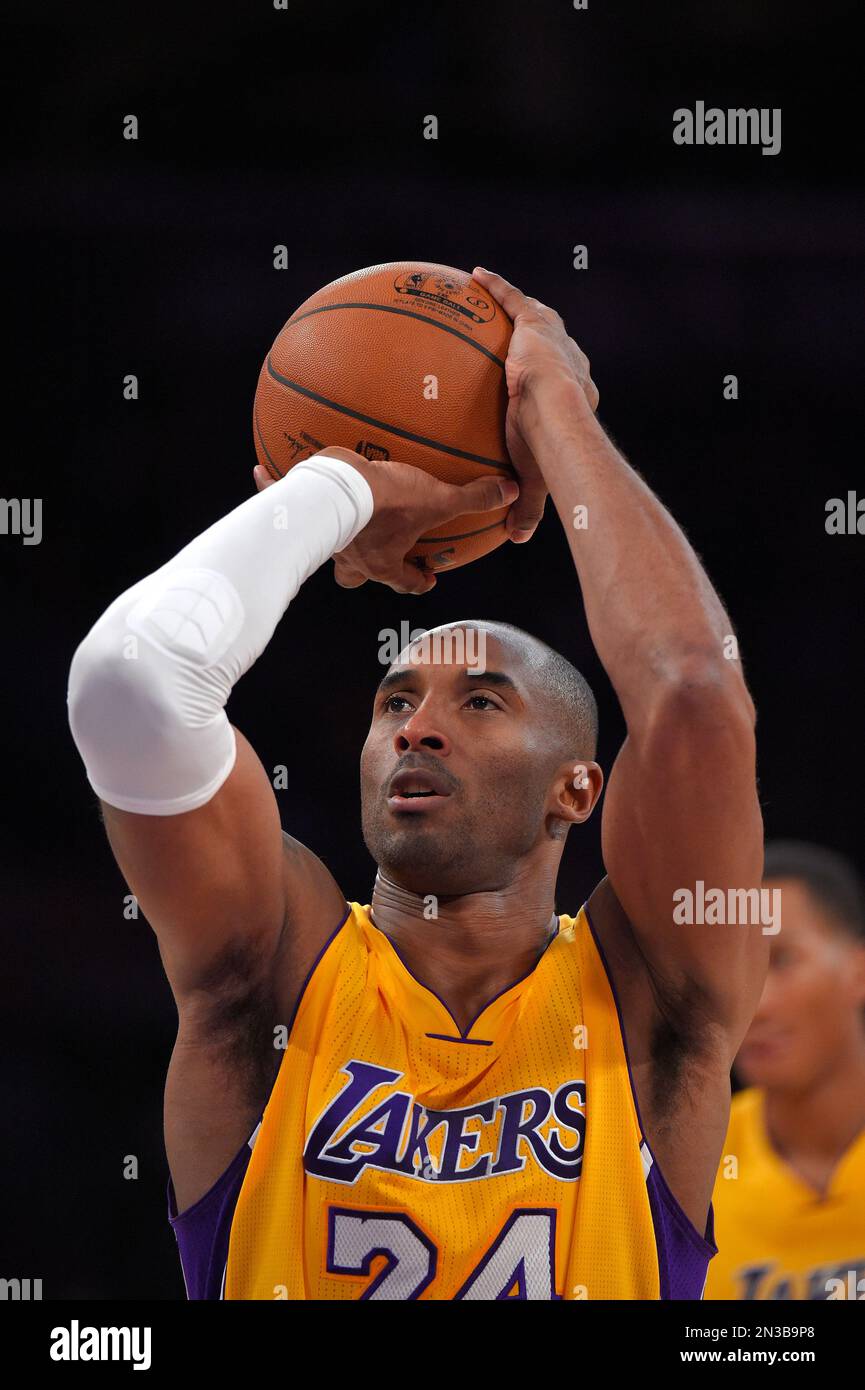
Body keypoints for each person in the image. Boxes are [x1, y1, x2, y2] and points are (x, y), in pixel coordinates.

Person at [67, 266, 765, 1300]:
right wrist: (341, 488)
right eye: (394, 702)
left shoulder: (646, 995)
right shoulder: (274, 968)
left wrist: (553, 406)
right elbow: (133, 680)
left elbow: (697, 696)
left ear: (579, 788)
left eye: (481, 702)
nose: (418, 728)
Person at [705, 841, 865, 1300]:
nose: (755, 1005)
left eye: (782, 961)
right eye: (732, 971)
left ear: (857, 970)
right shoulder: (682, 1173)